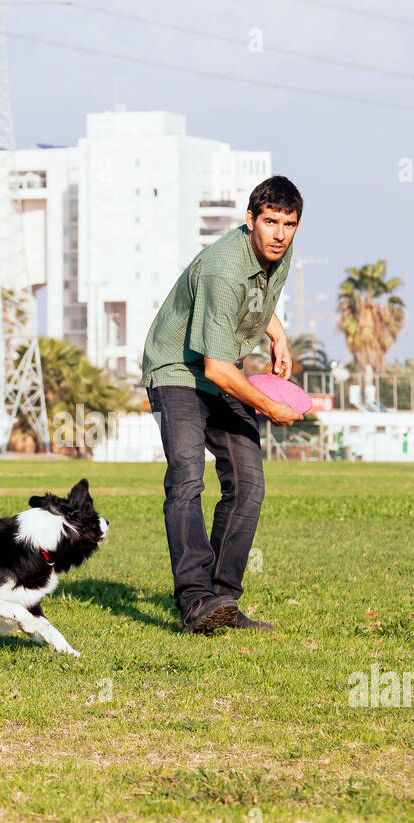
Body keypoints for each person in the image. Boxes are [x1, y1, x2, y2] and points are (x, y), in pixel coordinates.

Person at [139, 175, 304, 634]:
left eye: (289, 224)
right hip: (178, 370)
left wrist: (277, 333)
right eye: (270, 222)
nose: (279, 233)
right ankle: (194, 600)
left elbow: (255, 298)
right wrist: (270, 409)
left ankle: (222, 600)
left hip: (218, 369)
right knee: (187, 479)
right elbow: (216, 368)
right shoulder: (221, 267)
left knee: (248, 483)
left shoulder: (280, 253)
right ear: (249, 220)